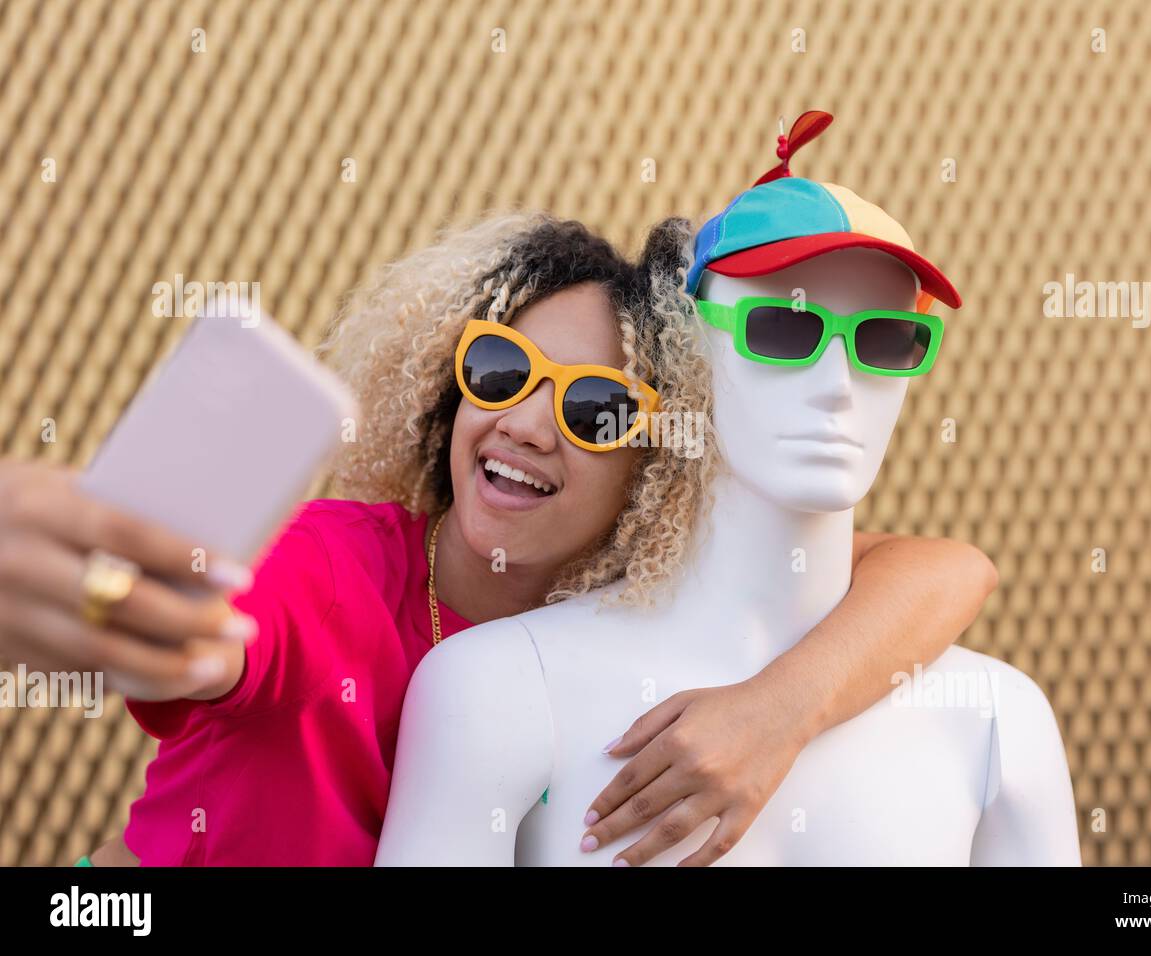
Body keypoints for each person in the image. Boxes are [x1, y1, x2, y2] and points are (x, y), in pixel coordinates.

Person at [0, 211, 996, 866]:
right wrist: (118, 603)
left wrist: (776, 711)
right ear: (447, 391)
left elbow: (944, 568)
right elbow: (203, 625)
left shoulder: (627, 619)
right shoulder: (337, 565)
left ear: (658, 465)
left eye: (596, 406)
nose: (526, 421)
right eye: (499, 370)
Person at [376, 161, 1079, 865]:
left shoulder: (998, 720)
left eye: (884, 339)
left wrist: (785, 707)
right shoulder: (496, 687)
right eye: (782, 329)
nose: (839, 385)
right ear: (686, 355)